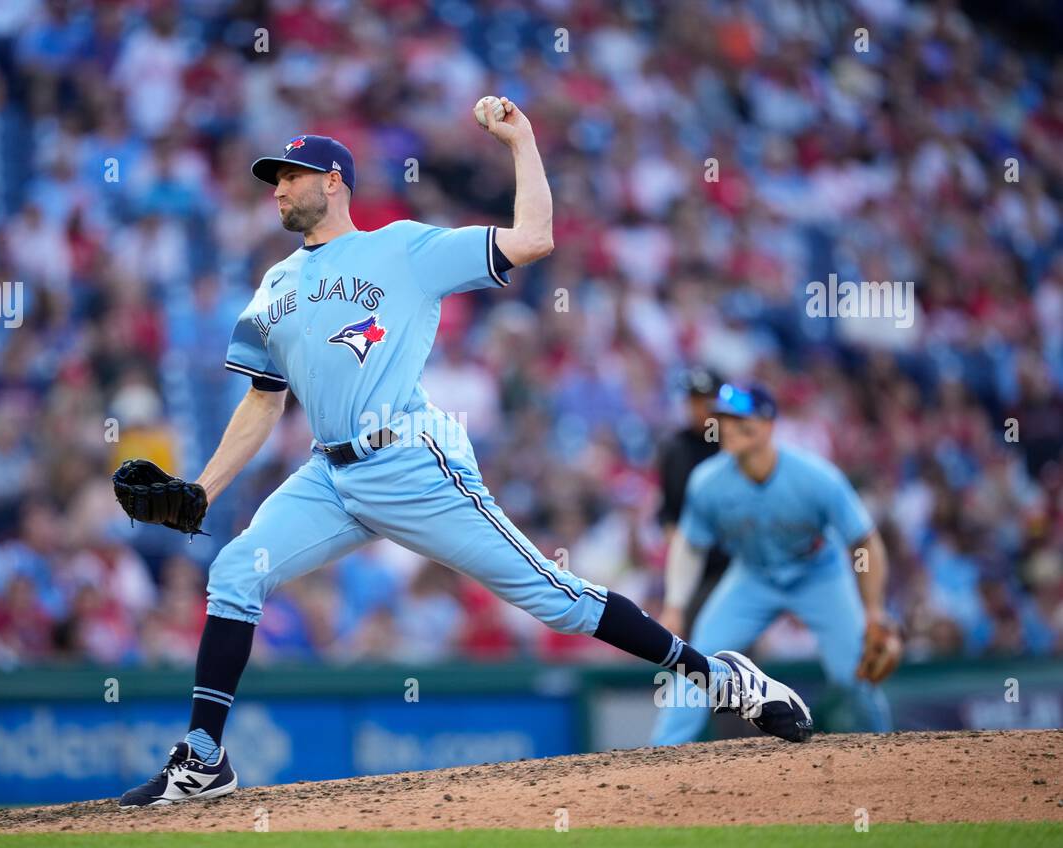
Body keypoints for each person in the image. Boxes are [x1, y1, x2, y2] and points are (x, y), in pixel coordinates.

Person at [120, 101, 813, 808]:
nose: (277, 188)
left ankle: (720, 676)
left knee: (556, 598)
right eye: (273, 179)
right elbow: (263, 402)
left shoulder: (403, 248)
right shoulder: (273, 286)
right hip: (328, 475)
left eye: (290, 175)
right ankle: (204, 761)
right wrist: (202, 488)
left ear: (334, 181)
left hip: (411, 463)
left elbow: (535, 237)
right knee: (237, 568)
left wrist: (522, 141)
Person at [650, 383, 894, 747]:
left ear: (767, 425)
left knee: (855, 674)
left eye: (738, 419)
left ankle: (890, 754)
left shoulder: (815, 477)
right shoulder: (708, 482)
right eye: (724, 419)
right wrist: (674, 604)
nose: (727, 427)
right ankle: (661, 754)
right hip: (752, 576)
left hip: (818, 573)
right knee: (697, 662)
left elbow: (864, 540)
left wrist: (873, 610)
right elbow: (690, 546)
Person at [656, 367, 728, 637]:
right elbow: (667, 509)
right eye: (692, 401)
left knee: (736, 651)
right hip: (692, 561)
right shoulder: (675, 448)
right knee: (689, 643)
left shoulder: (733, 444)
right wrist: (673, 535)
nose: (698, 408)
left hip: (733, 562)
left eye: (705, 400)